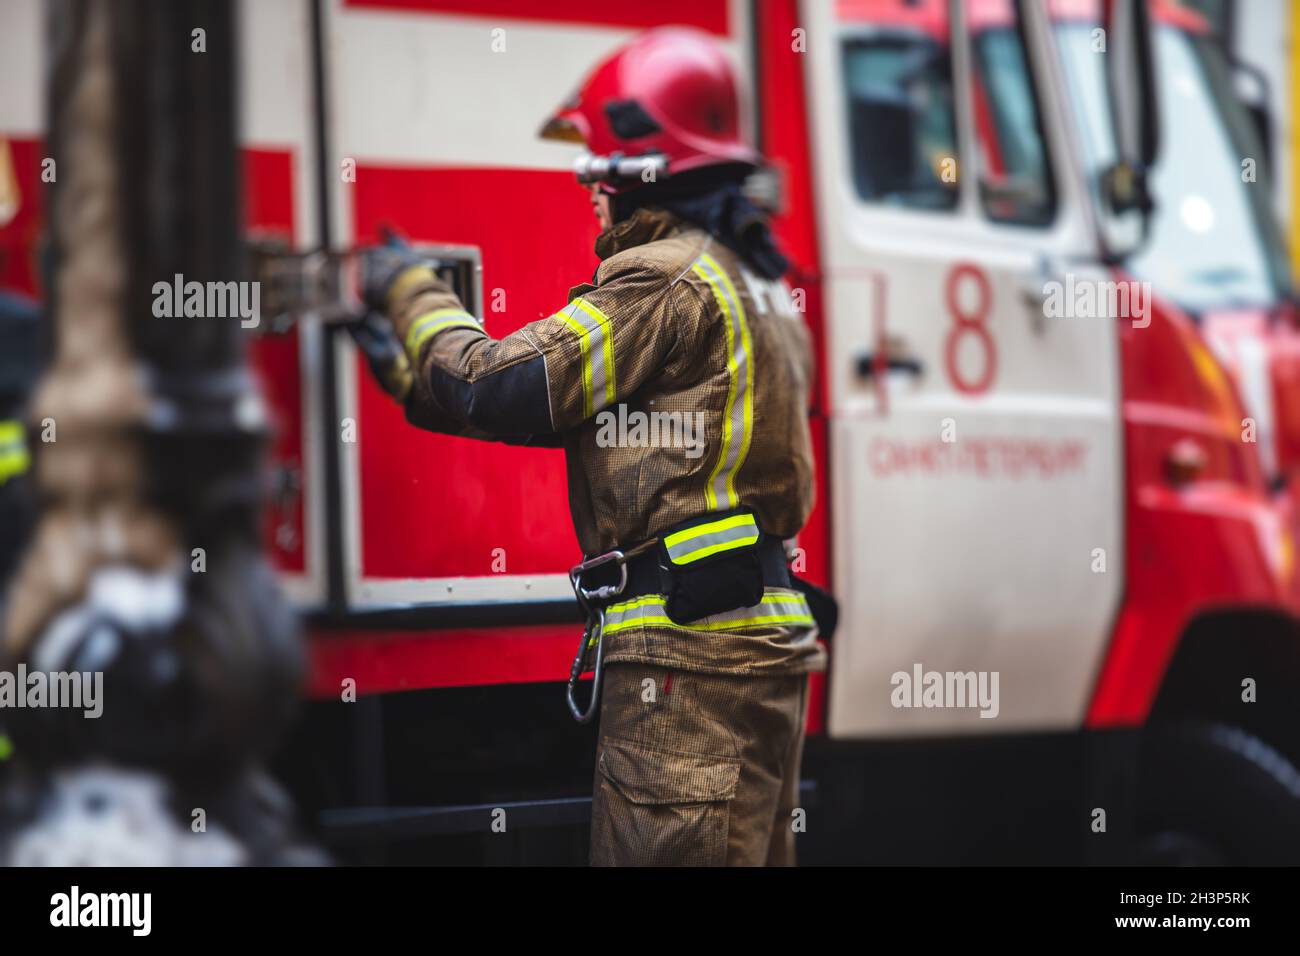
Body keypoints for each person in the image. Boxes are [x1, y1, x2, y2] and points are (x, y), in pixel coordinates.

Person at [353, 26, 826, 866]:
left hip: (688, 661)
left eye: (595, 170)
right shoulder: (754, 279)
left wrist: (410, 291)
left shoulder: (663, 277)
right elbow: (589, 419)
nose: (589, 193)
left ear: (642, 172)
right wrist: (403, 379)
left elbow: (496, 384)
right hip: (756, 646)